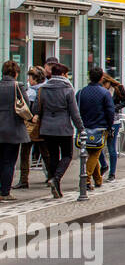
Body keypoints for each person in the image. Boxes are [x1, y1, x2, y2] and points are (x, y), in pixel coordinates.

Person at [34, 63, 83, 198]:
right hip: (63, 128)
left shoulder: (43, 89)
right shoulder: (67, 89)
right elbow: (74, 112)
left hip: (47, 128)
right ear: (62, 74)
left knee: (53, 156)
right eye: (66, 74)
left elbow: (37, 109)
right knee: (67, 154)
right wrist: (81, 129)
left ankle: (56, 185)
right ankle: (56, 178)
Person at [76, 66, 116, 189]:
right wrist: (110, 126)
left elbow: (76, 110)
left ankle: (98, 180)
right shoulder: (105, 93)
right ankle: (86, 179)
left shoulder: (81, 92)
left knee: (93, 152)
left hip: (85, 127)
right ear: (101, 78)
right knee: (95, 154)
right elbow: (110, 112)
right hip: (100, 127)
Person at [0, 61, 31, 201]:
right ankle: (5, 192)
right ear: (15, 73)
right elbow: (26, 105)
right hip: (13, 129)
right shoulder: (18, 86)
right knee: (9, 161)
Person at [17, 66, 45, 190]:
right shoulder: (42, 89)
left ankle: (24, 180)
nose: (28, 80)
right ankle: (51, 177)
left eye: (30, 77)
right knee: (45, 152)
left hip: (32, 125)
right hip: (39, 126)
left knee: (25, 153)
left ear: (35, 79)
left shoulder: (34, 91)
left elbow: (28, 107)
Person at [101, 73, 125, 181]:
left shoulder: (118, 88)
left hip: (114, 120)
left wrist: (115, 107)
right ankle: (104, 165)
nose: (104, 87)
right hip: (102, 120)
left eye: (105, 85)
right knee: (98, 146)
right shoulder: (100, 90)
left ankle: (112, 173)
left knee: (111, 146)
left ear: (108, 82)